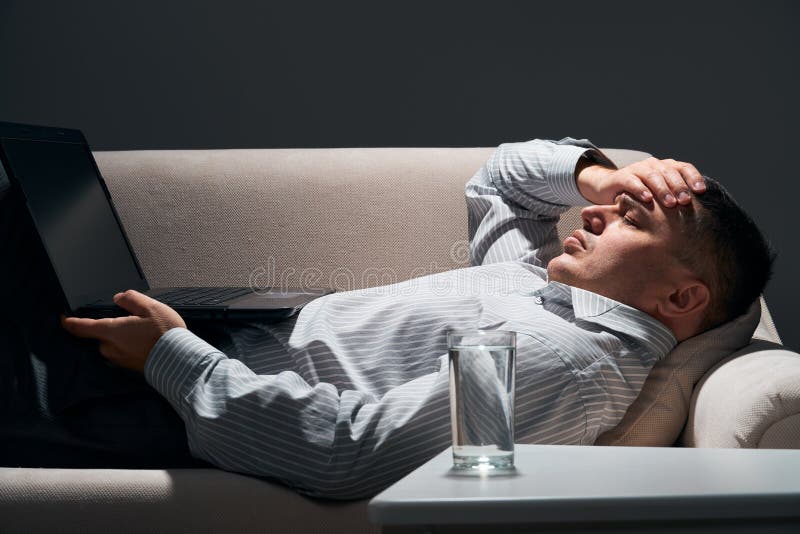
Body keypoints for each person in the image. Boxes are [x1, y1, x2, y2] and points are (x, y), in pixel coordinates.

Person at [0, 138, 773, 500]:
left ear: (681, 300)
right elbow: (501, 178)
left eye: (627, 220)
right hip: (203, 350)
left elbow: (347, 453)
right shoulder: (545, 285)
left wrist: (170, 355)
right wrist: (603, 172)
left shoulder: (555, 359)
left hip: (162, 398)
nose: (593, 214)